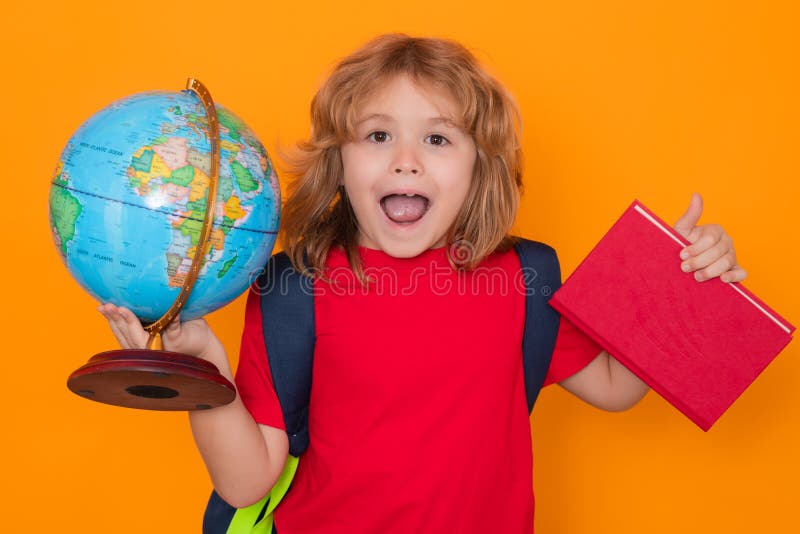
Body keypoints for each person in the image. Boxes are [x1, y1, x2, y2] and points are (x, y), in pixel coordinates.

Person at [99, 34, 747, 533]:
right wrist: (204, 369)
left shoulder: (521, 279)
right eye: (378, 135)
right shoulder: (296, 288)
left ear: (479, 168)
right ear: (340, 164)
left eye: (437, 138)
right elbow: (245, 485)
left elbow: (615, 387)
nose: (406, 158)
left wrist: (685, 282)